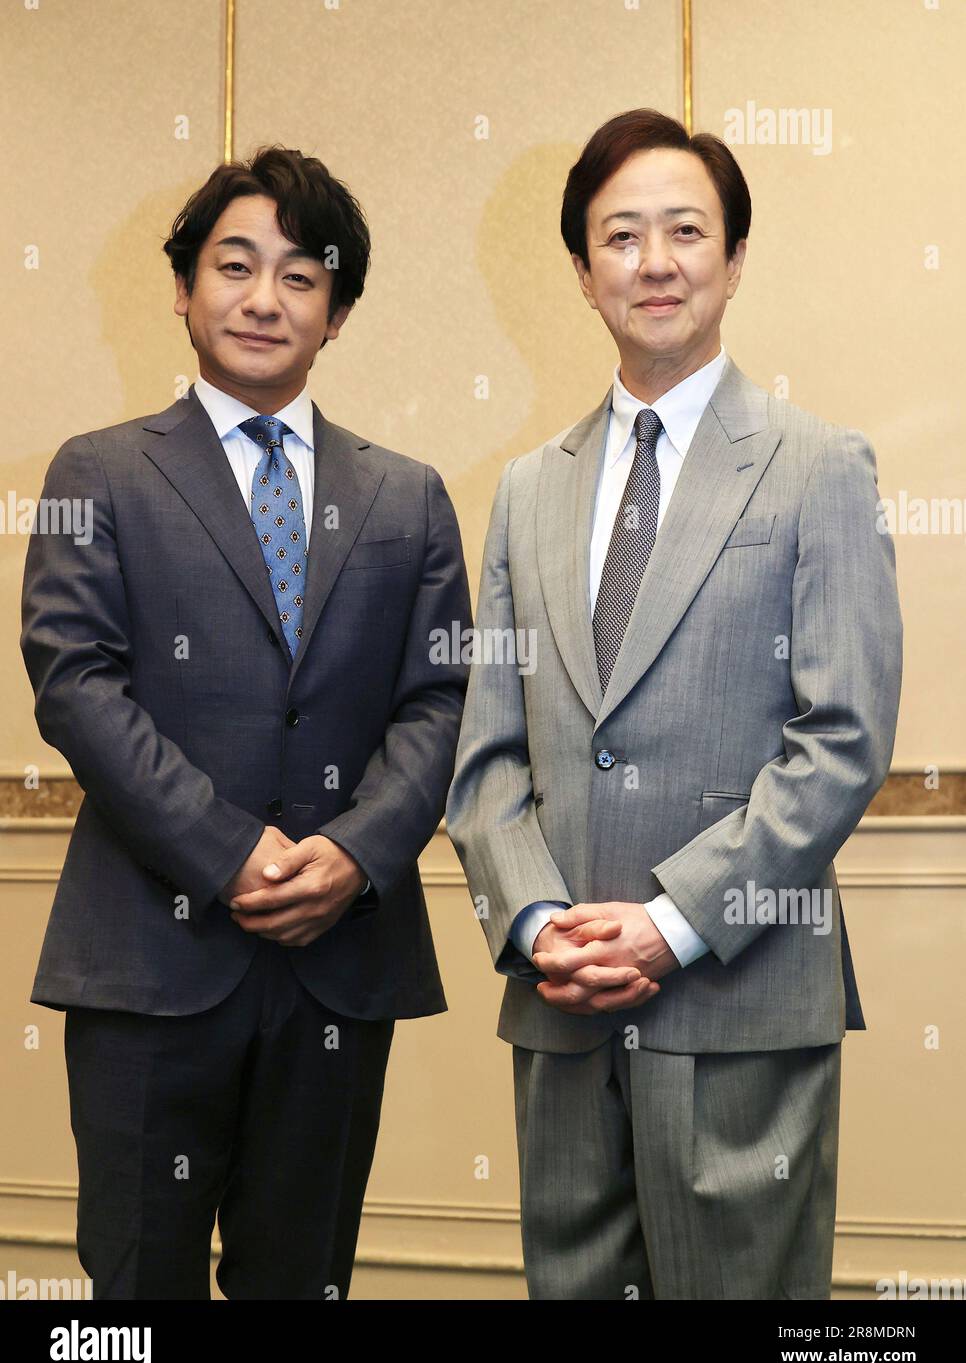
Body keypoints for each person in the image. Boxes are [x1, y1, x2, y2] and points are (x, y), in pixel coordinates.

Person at [445, 108, 902, 1300]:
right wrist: (543, 925)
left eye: (686, 231)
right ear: (584, 274)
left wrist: (669, 922)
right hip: (562, 1010)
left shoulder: (820, 464)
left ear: (734, 259)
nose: (655, 261)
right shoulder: (523, 494)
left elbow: (842, 741)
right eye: (622, 236)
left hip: (738, 999)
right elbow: (488, 754)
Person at [21, 145, 471, 1300]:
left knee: (304, 1278)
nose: (264, 297)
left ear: (339, 312)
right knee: (132, 1290)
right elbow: (76, 681)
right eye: (234, 265)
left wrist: (355, 854)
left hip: (339, 958)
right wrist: (231, 852)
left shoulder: (407, 495)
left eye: (301, 275)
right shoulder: (100, 471)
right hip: (150, 957)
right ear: (182, 289)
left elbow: (442, 697)